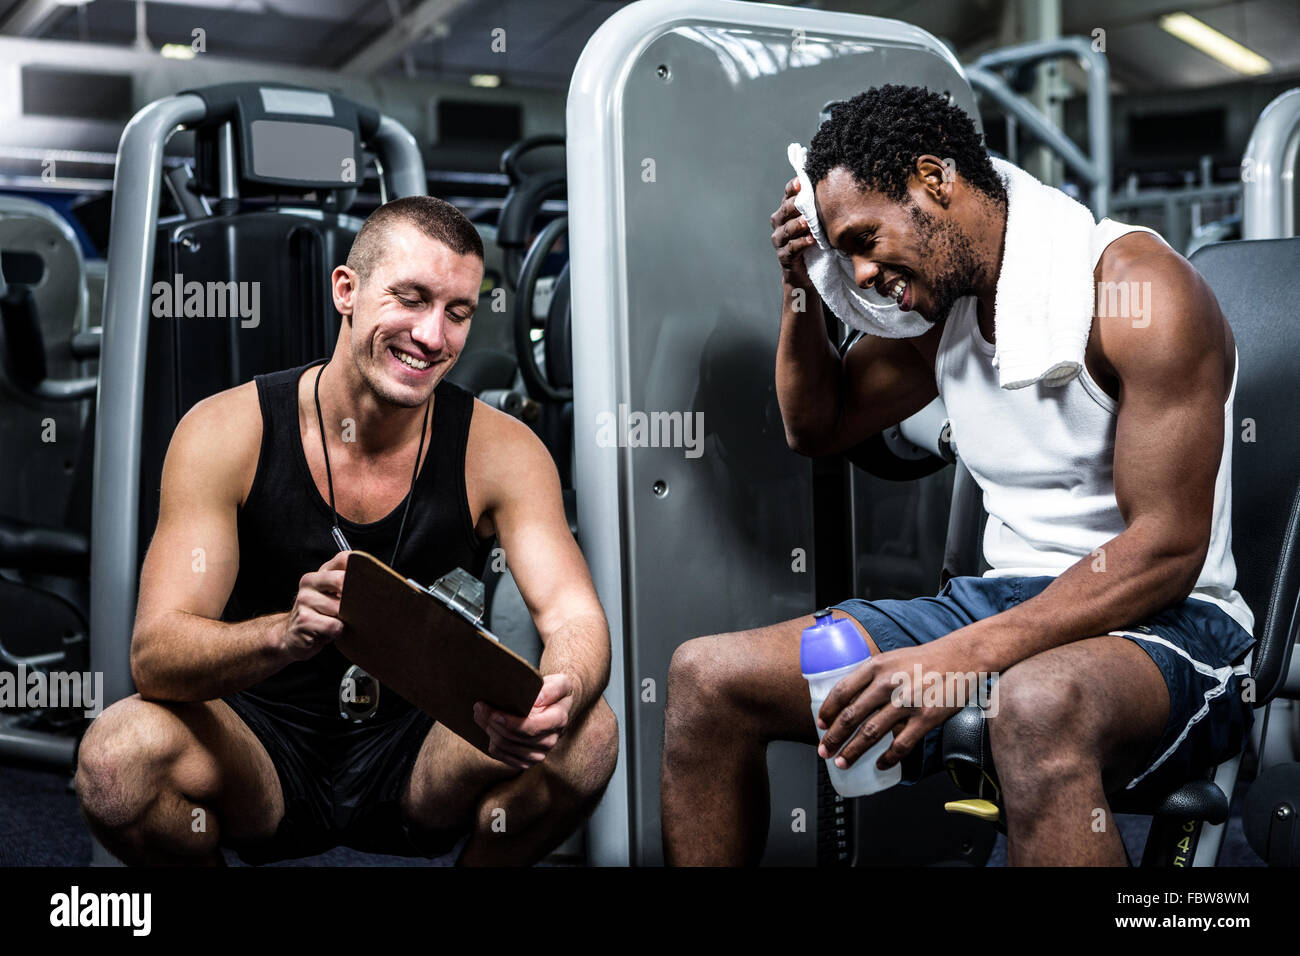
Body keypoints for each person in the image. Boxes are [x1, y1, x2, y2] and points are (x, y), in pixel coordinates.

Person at [660, 85, 1254, 866]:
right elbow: (818, 426)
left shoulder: (1139, 294)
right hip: (1002, 602)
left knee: (1035, 704)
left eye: (865, 239)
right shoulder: (947, 314)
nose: (864, 274)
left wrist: (961, 657)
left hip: (1172, 623)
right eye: (846, 257)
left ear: (934, 181)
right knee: (707, 678)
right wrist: (801, 286)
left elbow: (1167, 551)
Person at [76, 196, 618, 866]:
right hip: (259, 744)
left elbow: (575, 616)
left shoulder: (502, 450)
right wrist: (281, 634)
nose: (431, 336)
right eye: (411, 299)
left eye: (457, 312)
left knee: (590, 737)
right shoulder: (225, 432)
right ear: (347, 290)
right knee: (114, 758)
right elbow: (156, 655)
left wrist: (551, 701)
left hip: (423, 746)